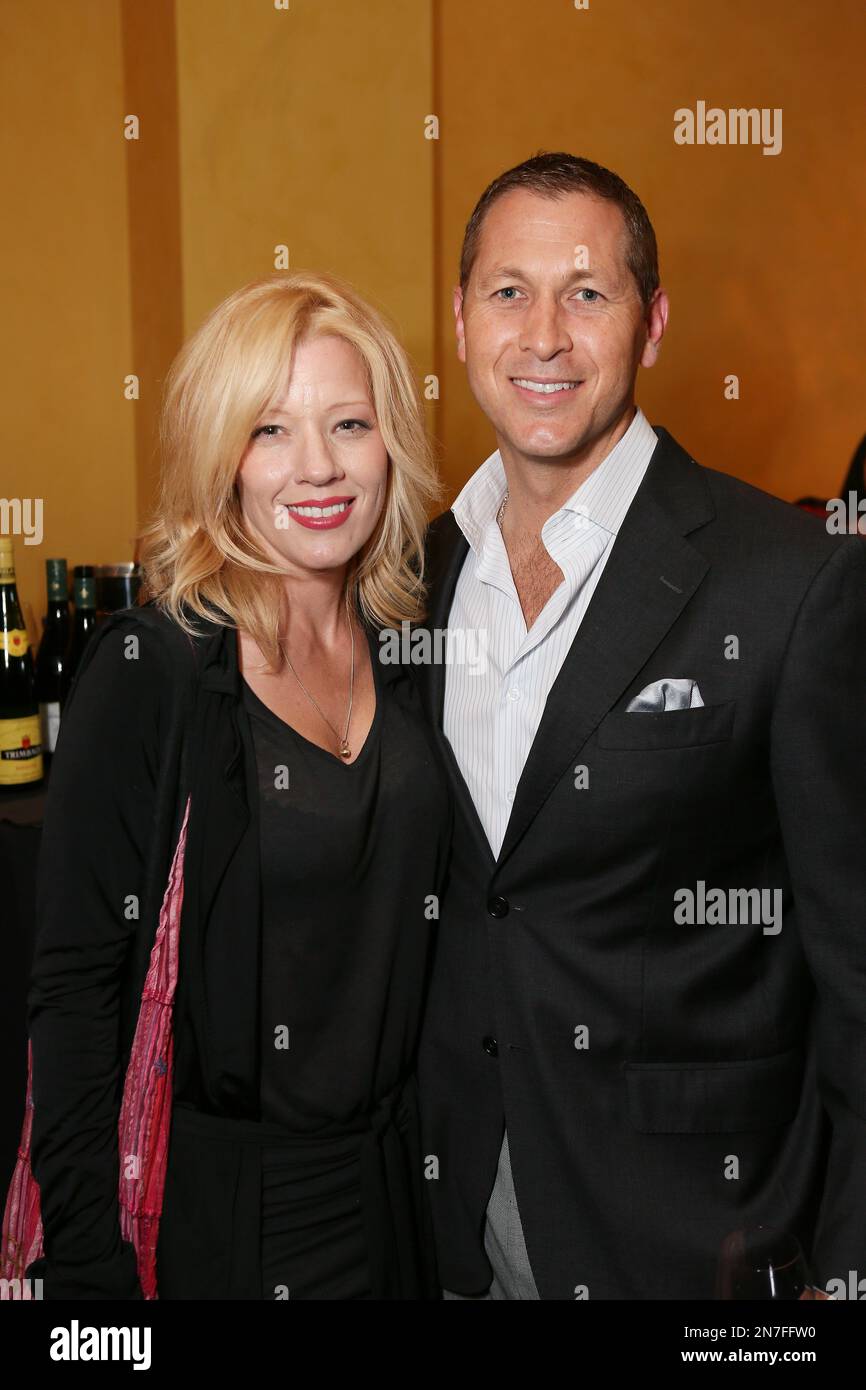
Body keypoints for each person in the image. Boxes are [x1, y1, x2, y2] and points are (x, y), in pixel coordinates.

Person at [415, 152, 866, 1300]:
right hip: (452, 1216)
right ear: (459, 319)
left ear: (652, 323)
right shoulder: (414, 575)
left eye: (587, 292)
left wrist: (845, 1267)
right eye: (507, 292)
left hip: (697, 1241)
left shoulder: (790, 585)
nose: (543, 336)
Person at [24, 270, 451, 1299]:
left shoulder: (416, 650)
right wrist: (90, 1265)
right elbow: (75, 994)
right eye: (269, 430)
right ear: (221, 459)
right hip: (221, 1217)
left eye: (349, 423)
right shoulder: (154, 673)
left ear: (390, 441)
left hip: (402, 1203)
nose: (317, 466)